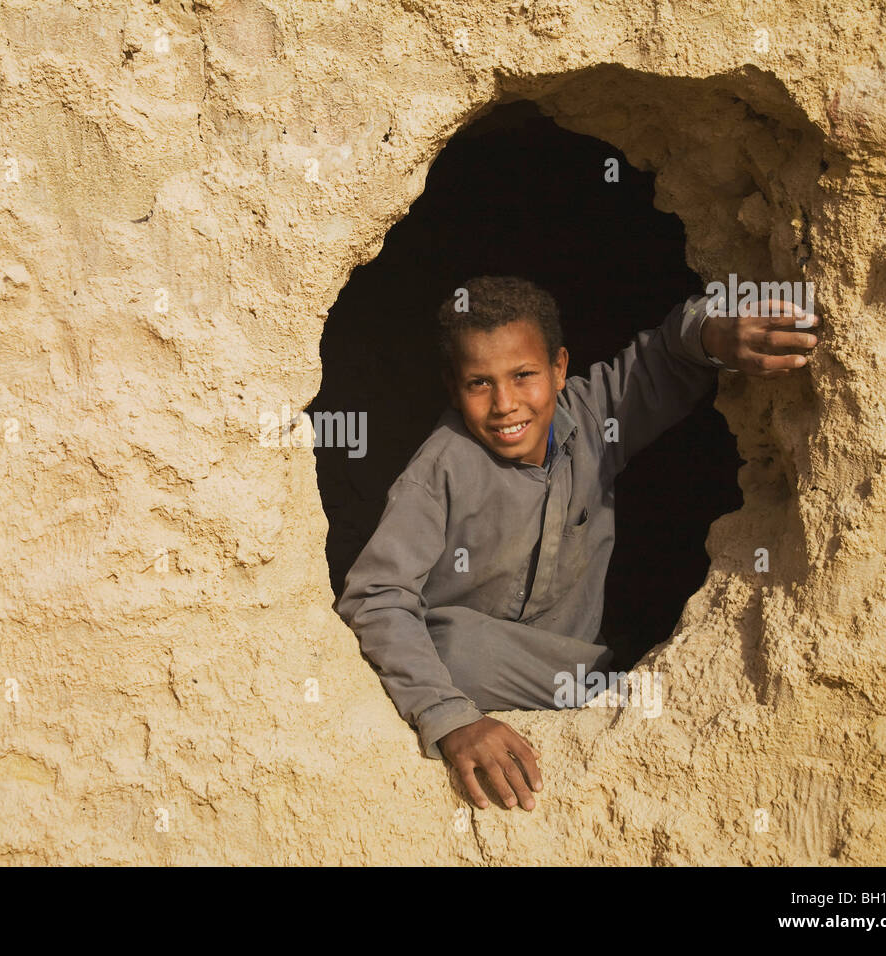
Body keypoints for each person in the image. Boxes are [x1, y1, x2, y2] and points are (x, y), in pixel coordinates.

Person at [334, 276, 820, 811]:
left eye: (524, 376)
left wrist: (714, 333)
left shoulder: (591, 422)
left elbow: (665, 352)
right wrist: (453, 719)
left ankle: (610, 685)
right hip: (476, 669)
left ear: (560, 368)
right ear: (454, 388)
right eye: (480, 383)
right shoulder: (440, 468)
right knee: (450, 645)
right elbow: (375, 595)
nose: (505, 404)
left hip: (584, 670)